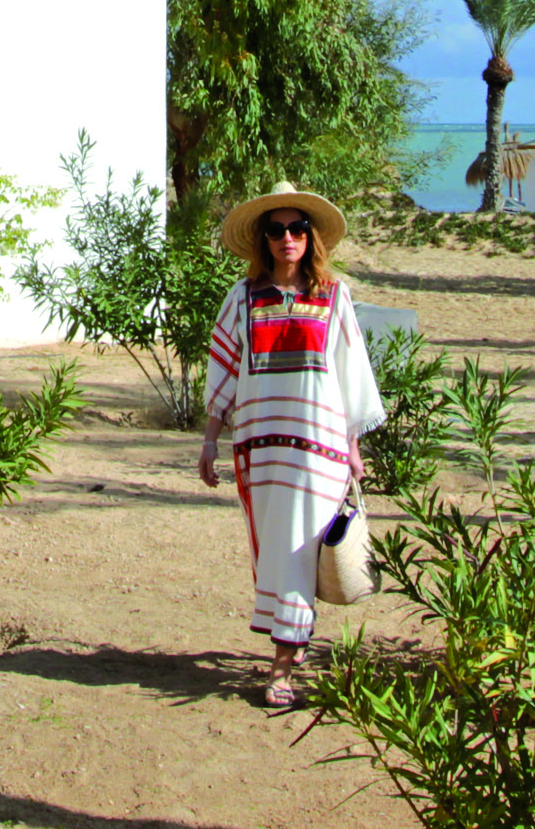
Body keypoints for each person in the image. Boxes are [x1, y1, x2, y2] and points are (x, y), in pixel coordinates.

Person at [196, 185, 385, 710]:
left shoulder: (334, 295)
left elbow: (349, 375)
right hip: (261, 448)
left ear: (311, 237)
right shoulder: (243, 297)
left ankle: (282, 666)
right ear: (263, 238)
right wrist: (211, 439)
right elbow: (225, 370)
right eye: (276, 230)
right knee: (277, 552)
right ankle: (292, 641)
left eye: (297, 229)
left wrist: (351, 448)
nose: (287, 239)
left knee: (301, 550)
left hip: (317, 447)